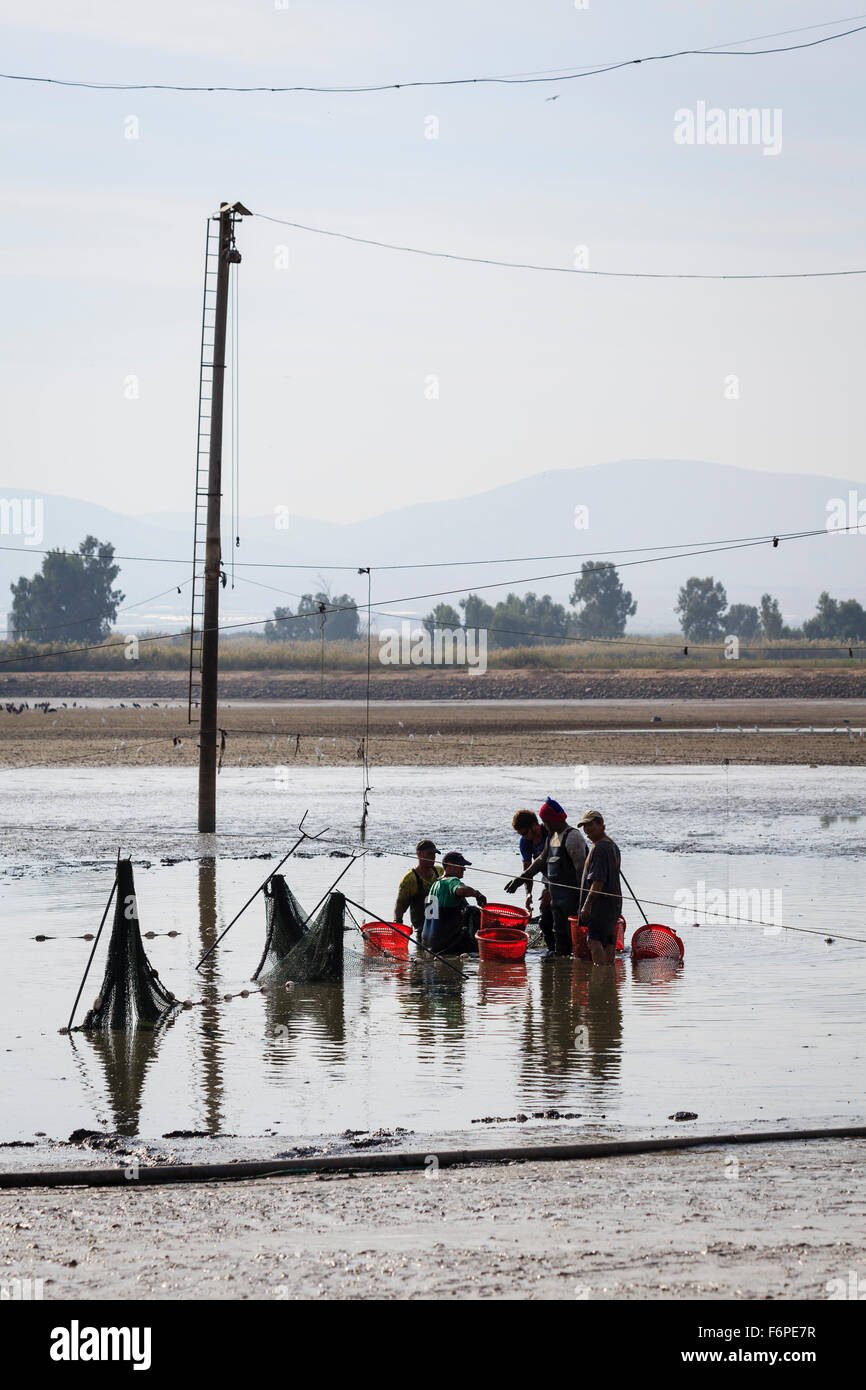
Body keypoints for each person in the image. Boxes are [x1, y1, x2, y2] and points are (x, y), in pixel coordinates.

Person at [505, 798, 586, 956]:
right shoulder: (553, 837)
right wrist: (520, 879)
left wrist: (583, 900)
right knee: (558, 934)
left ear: (555, 820)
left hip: (572, 897)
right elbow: (541, 861)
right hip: (556, 896)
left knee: (572, 937)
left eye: (547, 822)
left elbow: (582, 872)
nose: (545, 826)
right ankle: (560, 967)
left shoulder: (572, 837)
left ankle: (574, 970)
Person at [576, 810, 622, 966]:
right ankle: (608, 978)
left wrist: (587, 905)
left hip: (601, 904)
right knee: (608, 941)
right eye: (584, 826)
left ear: (602, 825)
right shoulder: (612, 845)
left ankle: (601, 981)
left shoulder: (600, 848)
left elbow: (598, 881)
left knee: (594, 942)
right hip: (614, 903)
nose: (587, 829)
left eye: (591, 824)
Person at [422, 852, 487, 955]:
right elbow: (461, 890)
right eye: (461, 866)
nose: (464, 869)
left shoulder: (435, 884)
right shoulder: (452, 881)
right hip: (446, 945)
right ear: (450, 865)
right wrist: (477, 894)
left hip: (428, 944)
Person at [511, 809, 554, 952]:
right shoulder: (525, 842)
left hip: (567, 879)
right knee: (545, 917)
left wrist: (552, 891)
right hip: (547, 879)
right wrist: (528, 895)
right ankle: (551, 952)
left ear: (535, 825)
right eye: (521, 835)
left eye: (525, 833)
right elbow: (527, 870)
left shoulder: (551, 834)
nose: (525, 837)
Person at [394, 839, 444, 940]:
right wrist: (398, 924)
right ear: (419, 854)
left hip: (441, 926)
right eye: (429, 854)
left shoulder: (440, 871)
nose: (433, 857)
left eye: (434, 854)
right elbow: (400, 906)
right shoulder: (410, 879)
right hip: (422, 930)